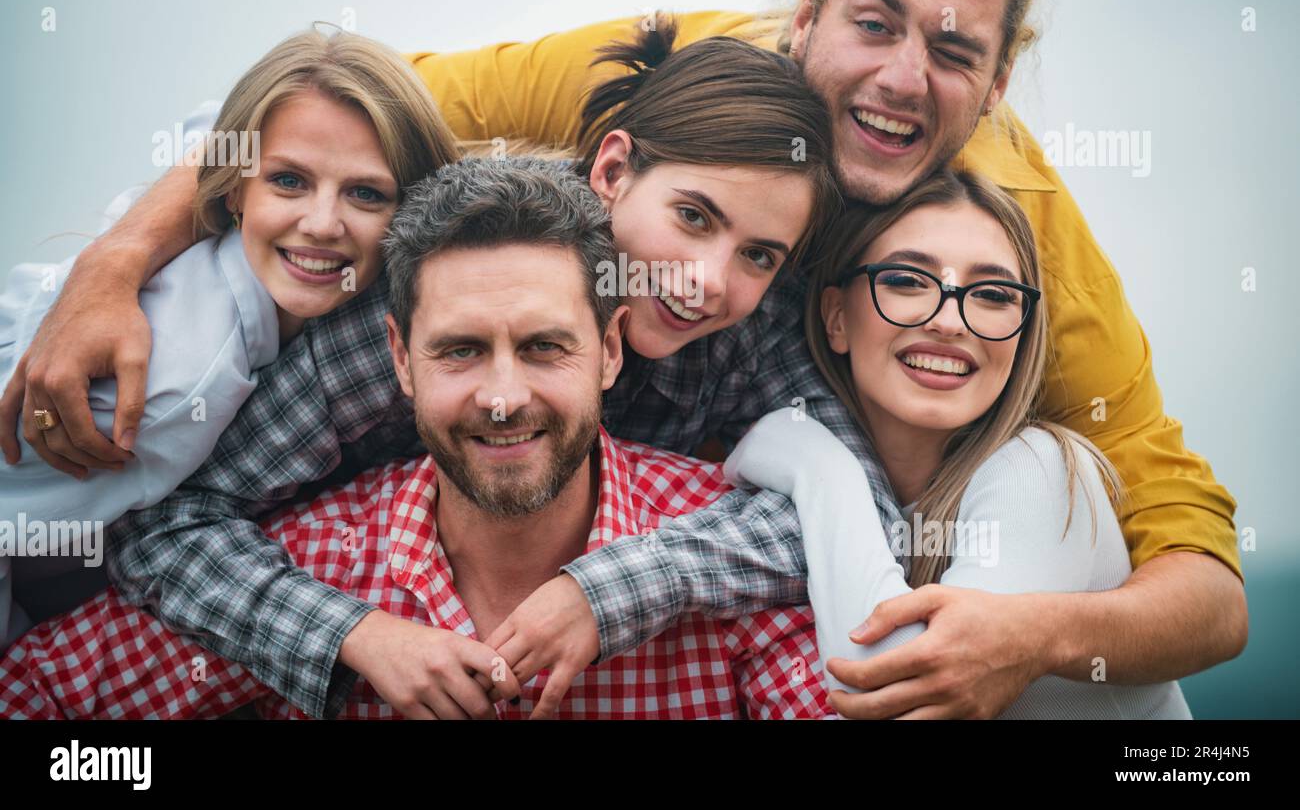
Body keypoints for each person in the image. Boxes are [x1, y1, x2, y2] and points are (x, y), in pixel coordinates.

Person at [1, 0, 1245, 719]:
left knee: (1045, 488)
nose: (904, 76)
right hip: (261, 536)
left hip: (676, 548)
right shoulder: (613, 103)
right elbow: (339, 103)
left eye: (957, 51)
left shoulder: (993, 242)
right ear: (803, 16)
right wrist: (112, 266)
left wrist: (1024, 641)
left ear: (998, 84)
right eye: (874, 21)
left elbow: (1199, 563)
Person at [0, 157, 831, 720]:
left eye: (544, 347)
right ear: (398, 358)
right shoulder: (314, 561)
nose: (504, 399)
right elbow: (39, 696)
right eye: (462, 350)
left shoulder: (728, 557)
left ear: (610, 348)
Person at [0, 27, 460, 649]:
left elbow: (215, 123)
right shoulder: (180, 385)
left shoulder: (260, 154)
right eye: (289, 182)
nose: (322, 224)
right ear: (234, 186)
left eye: (365, 193)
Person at [687, 168, 1191, 717]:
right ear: (837, 317)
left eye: (993, 294)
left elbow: (895, 688)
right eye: (906, 281)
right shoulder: (853, 503)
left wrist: (820, 468)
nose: (951, 321)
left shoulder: (1038, 471)